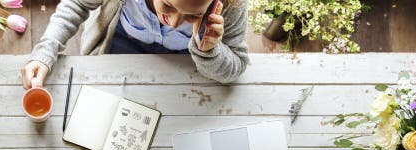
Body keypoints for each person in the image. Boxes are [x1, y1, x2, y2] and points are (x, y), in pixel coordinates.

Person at [21, 0, 249, 88]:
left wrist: (210, 52)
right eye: (168, 5)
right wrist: (45, 51)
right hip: (119, 42)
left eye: (192, 16)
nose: (173, 23)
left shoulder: (232, 6)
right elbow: (76, 5)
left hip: (187, 63)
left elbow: (235, 67)